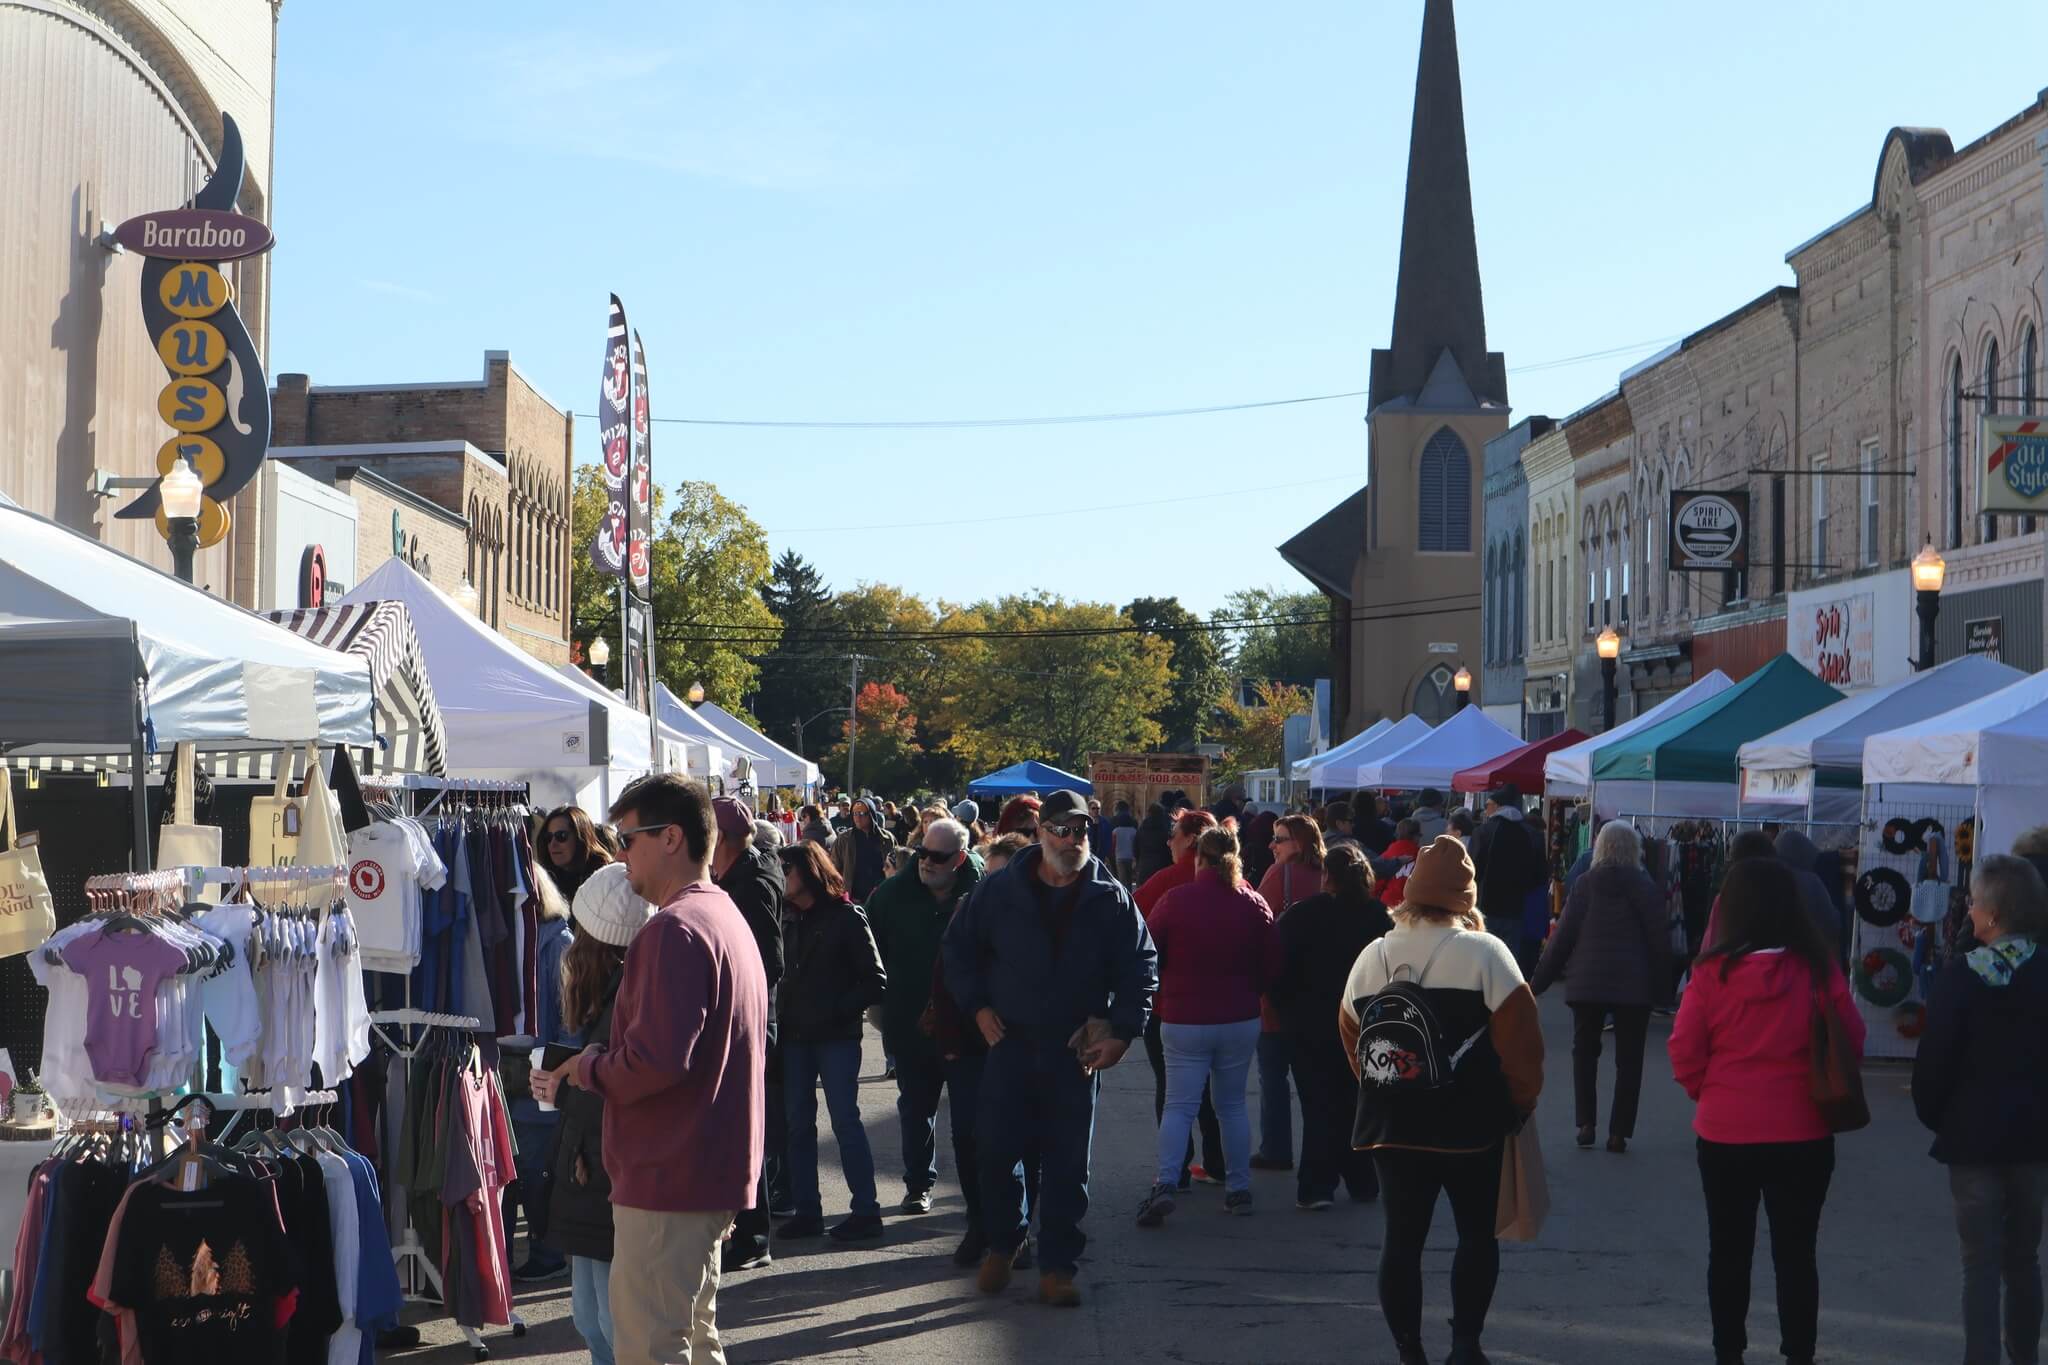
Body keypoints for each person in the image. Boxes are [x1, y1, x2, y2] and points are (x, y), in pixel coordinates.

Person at [531, 773, 767, 1365]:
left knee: (650, 1346)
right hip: (701, 1169)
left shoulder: (675, 929)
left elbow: (654, 1063)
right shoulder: (719, 917)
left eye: (628, 839)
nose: (619, 854)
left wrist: (587, 1067)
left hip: (671, 1174)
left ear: (671, 839)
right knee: (689, 1335)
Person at [941, 789, 1158, 1307]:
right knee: (994, 1150)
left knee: (1066, 1165)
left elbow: (1141, 968)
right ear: (1040, 833)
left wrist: (1123, 1031)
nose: (1070, 839)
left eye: (1079, 829)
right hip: (1010, 1042)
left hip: (1073, 1051)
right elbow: (957, 952)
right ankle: (1005, 1241)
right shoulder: (998, 891)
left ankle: (1059, 1265)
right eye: (1059, 829)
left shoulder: (1110, 897)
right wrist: (978, 1008)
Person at [1339, 835, 1544, 1365]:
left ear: (1410, 892)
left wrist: (1383, 1082)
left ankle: (1409, 1349)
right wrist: (1517, 1106)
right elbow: (1523, 1046)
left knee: (1400, 1240)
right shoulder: (1487, 953)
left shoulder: (1374, 954)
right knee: (1477, 1235)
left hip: (1390, 1123)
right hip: (1469, 1123)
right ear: (1466, 897)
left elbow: (1350, 1032)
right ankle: (1465, 1344)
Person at [1669, 856, 1863, 1365]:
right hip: (1803, 1131)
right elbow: (1852, 1039)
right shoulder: (1818, 968)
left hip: (1725, 1130)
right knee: (1796, 1255)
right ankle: (1799, 1353)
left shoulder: (1711, 973)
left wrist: (1707, 1093)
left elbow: (1684, 1050)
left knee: (1728, 1251)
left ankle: (1728, 1352)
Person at [1913, 853, 2048, 1365]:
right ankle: (2025, 1356)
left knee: (1979, 1264)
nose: (1967, 912)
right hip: (2035, 1138)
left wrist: (1939, 1117)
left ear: (1992, 915)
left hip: (1972, 1140)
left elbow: (1933, 1064)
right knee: (2024, 1257)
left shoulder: (1960, 978)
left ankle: (1982, 1358)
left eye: (1972, 903)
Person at [1136, 825, 1282, 1225]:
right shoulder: (1252, 902)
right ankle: (1237, 1188)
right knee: (1232, 1105)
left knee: (1179, 1104)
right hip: (1238, 1015)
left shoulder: (1175, 899)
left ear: (1198, 857)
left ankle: (1166, 1182)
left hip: (1183, 1015)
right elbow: (1272, 961)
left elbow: (1149, 951)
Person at [546, 864, 654, 1365]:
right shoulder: (612, 992)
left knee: (611, 1323)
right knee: (592, 1319)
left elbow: (628, 1085)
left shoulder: (629, 993)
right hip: (591, 1166)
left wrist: (564, 1085)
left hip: (608, 1169)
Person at [1529, 820, 1671, 1153]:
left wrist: (1536, 983)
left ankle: (1586, 1123)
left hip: (1587, 981)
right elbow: (1659, 942)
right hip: (1633, 985)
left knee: (1585, 1052)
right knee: (1629, 1060)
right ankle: (1618, 1132)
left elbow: (1562, 939)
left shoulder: (1585, 884)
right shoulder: (1645, 886)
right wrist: (1663, 992)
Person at [866, 817, 981, 1218]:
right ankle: (919, 1185)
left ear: (960, 858)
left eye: (938, 856)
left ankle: (976, 1197)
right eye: (921, 853)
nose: (926, 862)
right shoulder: (891, 895)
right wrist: (876, 1006)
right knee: (916, 1109)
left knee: (969, 1119)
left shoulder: (983, 889)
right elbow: (867, 950)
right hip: (909, 1023)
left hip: (969, 1028)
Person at [775, 838, 888, 1242]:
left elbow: (875, 981)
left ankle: (866, 1211)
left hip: (835, 1037)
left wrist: (836, 1009)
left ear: (808, 872)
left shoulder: (846, 916)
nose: (781, 878)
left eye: (786, 870)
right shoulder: (785, 917)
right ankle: (808, 1211)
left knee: (844, 1121)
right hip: (795, 1038)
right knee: (797, 1125)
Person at [1271, 844, 1390, 1208]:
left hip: (1308, 1024)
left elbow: (1277, 970)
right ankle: (1360, 1179)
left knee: (1319, 1104)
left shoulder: (1302, 915)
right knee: (1354, 1101)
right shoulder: (1379, 917)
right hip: (1364, 1023)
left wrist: (1284, 1008)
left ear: (1328, 876)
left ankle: (1317, 1185)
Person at [709, 797, 788, 1273]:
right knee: (742, 1129)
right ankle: (748, 1231)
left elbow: (769, 962)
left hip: (753, 1022)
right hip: (752, 1021)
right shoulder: (745, 875)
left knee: (745, 1131)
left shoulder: (751, 883)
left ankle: (753, 1236)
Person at [1135, 807, 1226, 1184]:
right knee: (1217, 1093)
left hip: (1169, 1003)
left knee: (1171, 1088)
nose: (1167, 841)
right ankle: (1220, 1164)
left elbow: (1133, 929)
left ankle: (1177, 1171)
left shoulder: (1167, 882)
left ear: (1190, 839)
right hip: (1225, 1006)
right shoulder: (1237, 883)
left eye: (1173, 834)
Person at [503, 870, 577, 1281]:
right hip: (501, 1066)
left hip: (537, 1065)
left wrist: (556, 1070)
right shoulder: (506, 935)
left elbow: (569, 1020)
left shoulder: (558, 942)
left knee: (535, 1169)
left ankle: (546, 1253)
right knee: (510, 1169)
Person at [1251, 814, 1325, 1172]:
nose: (1272, 845)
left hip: (1278, 995)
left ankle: (1277, 1149)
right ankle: (1323, 1155)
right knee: (1317, 1085)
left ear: (1300, 843)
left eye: (1279, 839)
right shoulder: (1330, 877)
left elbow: (1256, 927)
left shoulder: (1280, 876)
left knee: (1274, 1076)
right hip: (1322, 995)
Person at [539, 804, 613, 903]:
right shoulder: (547, 880)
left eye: (561, 836)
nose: (552, 844)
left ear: (581, 838)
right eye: (548, 837)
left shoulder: (606, 879)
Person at [1375, 819, 1423, 908]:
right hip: (1412, 908)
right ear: (1415, 836)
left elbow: (1376, 884)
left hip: (1388, 905)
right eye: (1420, 835)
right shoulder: (1423, 857)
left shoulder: (1386, 856)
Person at [1134, 802, 1174, 883]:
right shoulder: (1165, 829)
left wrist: (1139, 862)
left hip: (1144, 866)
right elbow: (1169, 849)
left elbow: (1135, 848)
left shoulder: (1142, 828)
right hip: (1162, 866)